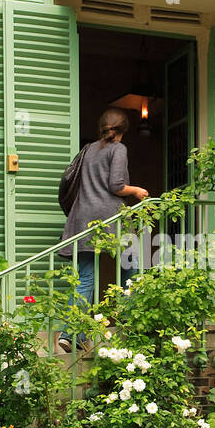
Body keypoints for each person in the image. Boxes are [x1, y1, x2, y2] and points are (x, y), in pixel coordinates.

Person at [58, 107, 148, 351]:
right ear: (122, 131)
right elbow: (117, 185)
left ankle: (71, 334)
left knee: (85, 277)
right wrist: (136, 191)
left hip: (83, 218)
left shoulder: (88, 150)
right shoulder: (118, 149)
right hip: (111, 218)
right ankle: (130, 323)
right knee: (132, 265)